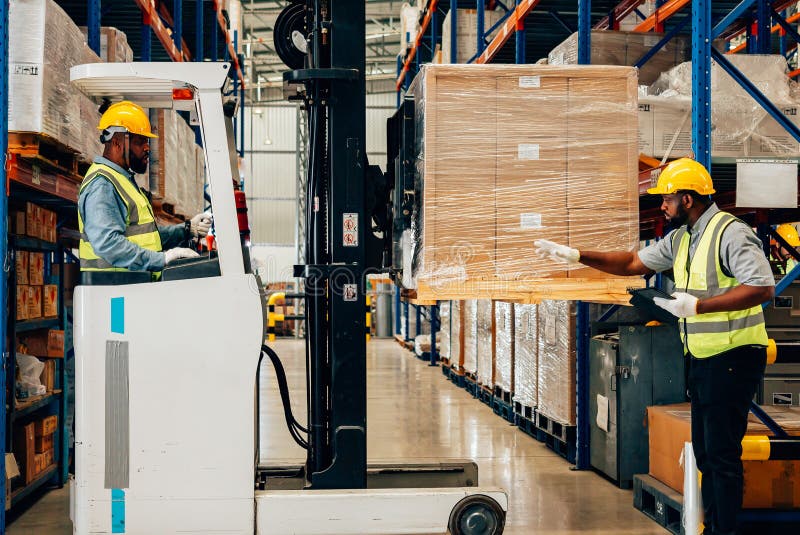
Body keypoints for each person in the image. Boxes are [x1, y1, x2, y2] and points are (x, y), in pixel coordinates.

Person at [535, 157, 774, 535]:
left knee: (722, 456)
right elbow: (632, 262)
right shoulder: (683, 238)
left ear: (689, 199)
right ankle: (716, 528)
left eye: (667, 198)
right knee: (709, 455)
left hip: (734, 357)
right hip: (704, 358)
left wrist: (699, 306)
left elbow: (762, 287)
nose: (661, 205)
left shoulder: (730, 232)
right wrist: (578, 255)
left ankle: (723, 532)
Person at [78, 101, 211, 279]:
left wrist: (187, 229)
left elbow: (145, 237)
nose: (147, 148)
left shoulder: (122, 180)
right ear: (117, 143)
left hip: (129, 287)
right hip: (115, 295)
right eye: (140, 141)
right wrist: (162, 259)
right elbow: (108, 243)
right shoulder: (103, 184)